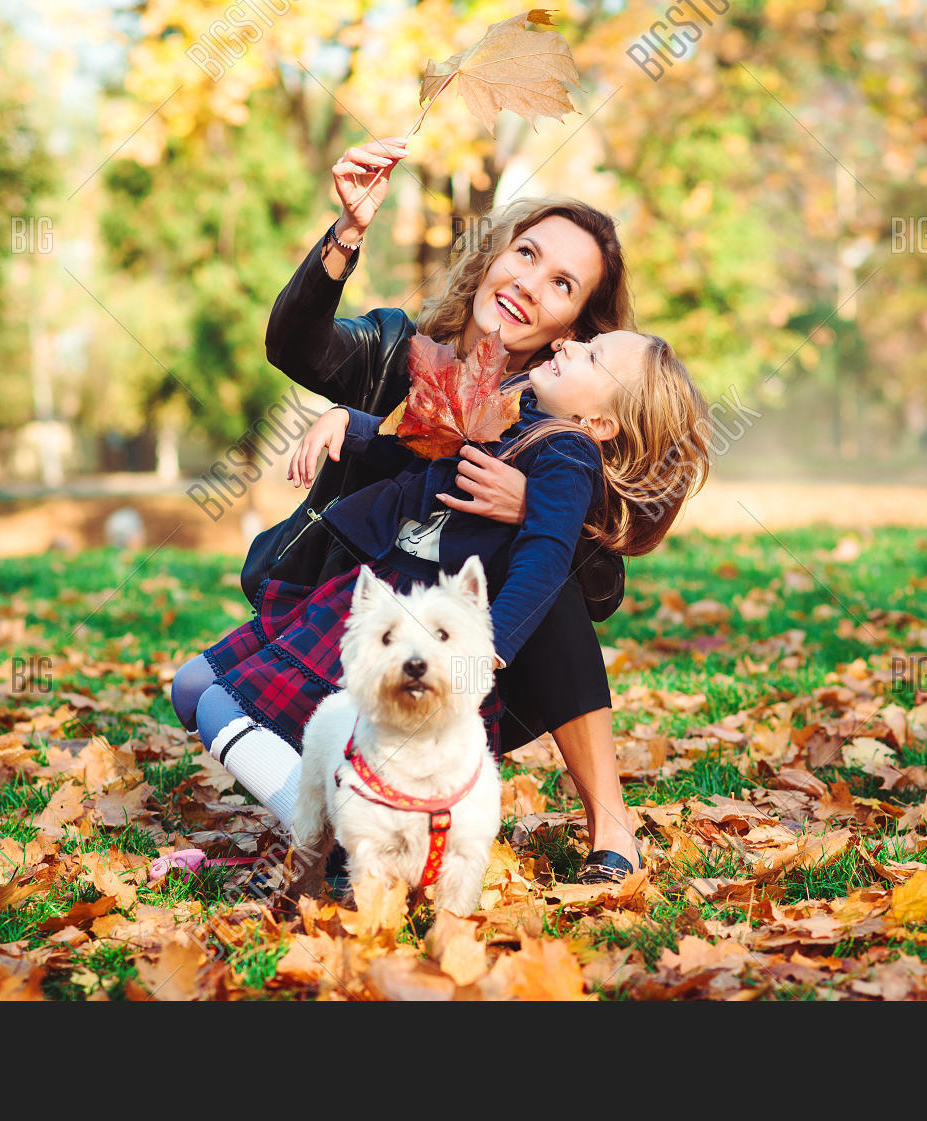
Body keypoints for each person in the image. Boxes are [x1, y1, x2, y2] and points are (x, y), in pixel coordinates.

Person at [174, 135, 649, 879]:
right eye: (526, 253)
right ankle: (344, 814)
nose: (528, 282)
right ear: (494, 253)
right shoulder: (402, 351)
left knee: (537, 564)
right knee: (198, 688)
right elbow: (296, 345)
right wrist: (348, 234)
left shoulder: (558, 429)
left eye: (562, 284)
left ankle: (611, 823)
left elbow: (597, 578)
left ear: (575, 329)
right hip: (357, 615)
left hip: (482, 669)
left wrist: (535, 504)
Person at [183, 327, 711, 887]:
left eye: (592, 355)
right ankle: (335, 821)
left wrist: (491, 648)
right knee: (212, 695)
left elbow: (547, 559)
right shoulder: (507, 403)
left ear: (599, 424)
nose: (568, 346)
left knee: (242, 705)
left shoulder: (566, 452)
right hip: (383, 594)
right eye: (583, 342)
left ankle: (338, 839)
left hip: (425, 629)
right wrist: (353, 426)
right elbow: (411, 451)